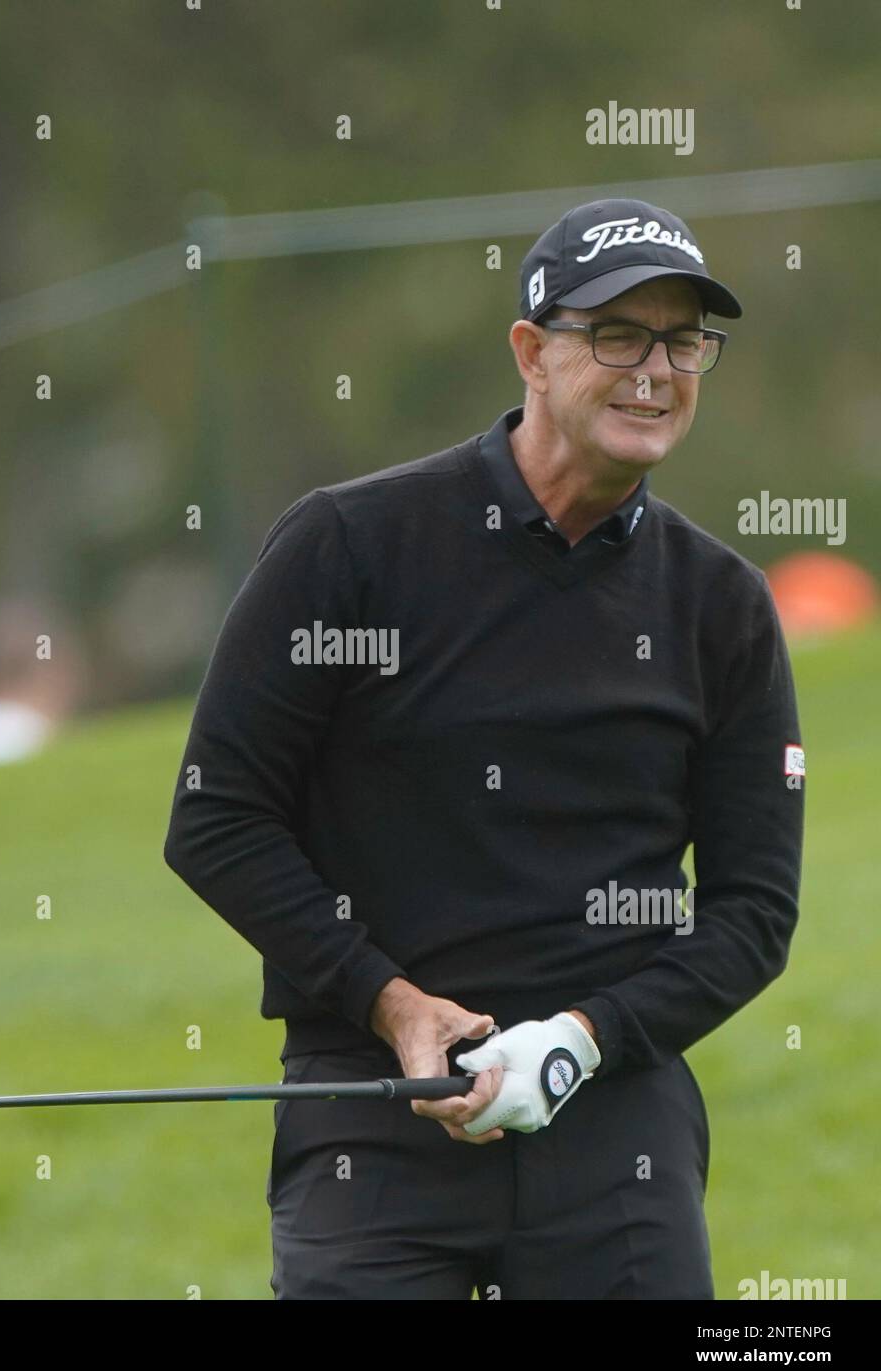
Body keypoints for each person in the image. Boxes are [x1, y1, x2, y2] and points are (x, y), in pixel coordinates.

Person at [163, 198, 804, 1300]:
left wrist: (584, 1036)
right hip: (370, 1104)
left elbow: (752, 911)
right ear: (530, 352)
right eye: (617, 334)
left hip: (612, 1118)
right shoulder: (350, 545)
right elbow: (217, 817)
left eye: (682, 340)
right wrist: (391, 1001)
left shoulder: (721, 606)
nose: (655, 369)